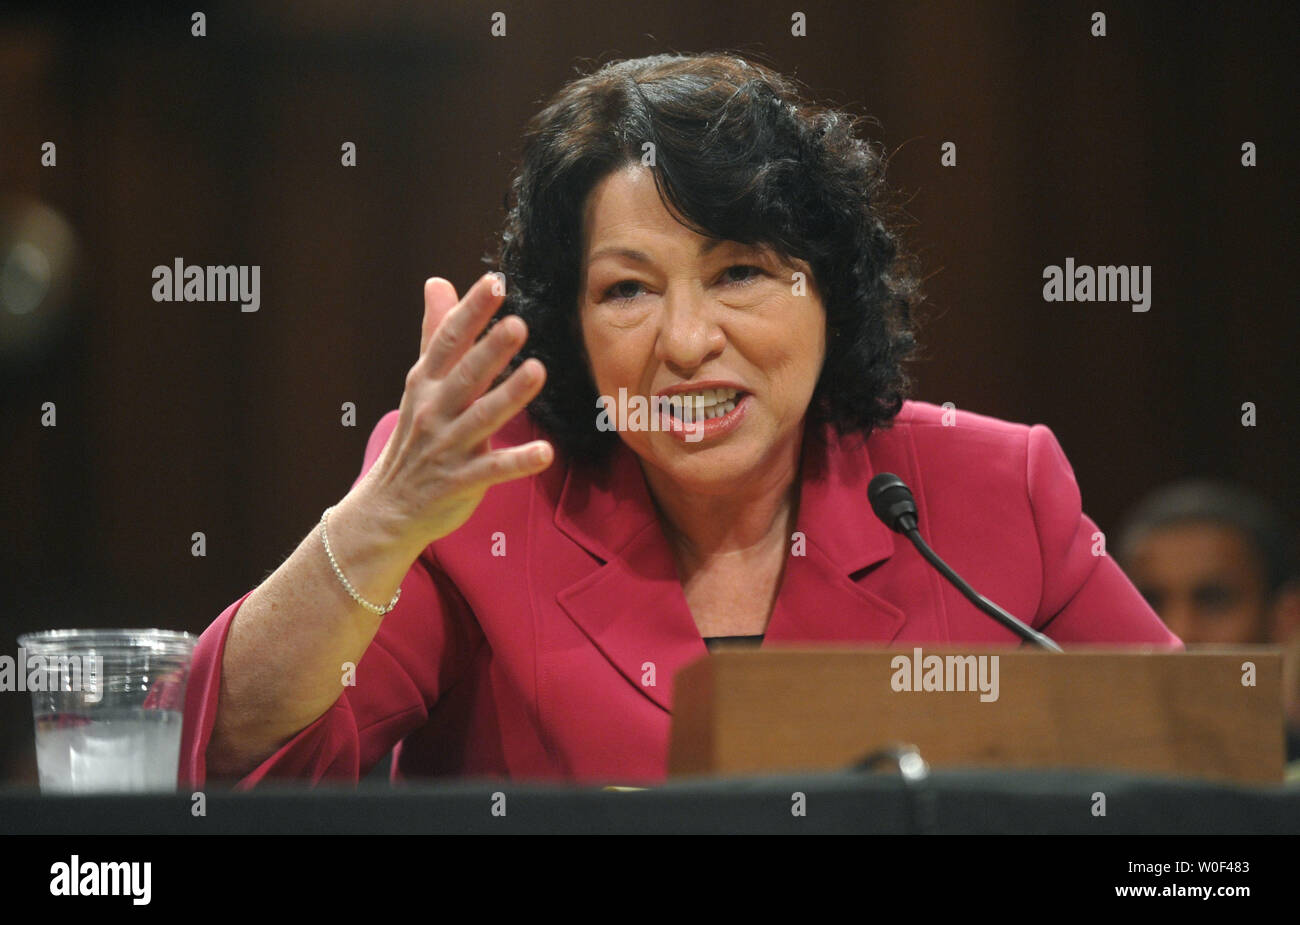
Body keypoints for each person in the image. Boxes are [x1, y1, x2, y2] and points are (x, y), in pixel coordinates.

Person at [182, 52, 1180, 789]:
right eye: (625, 290)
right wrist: (374, 526)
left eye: (738, 271)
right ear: (570, 325)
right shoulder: (488, 501)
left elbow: (1205, 773)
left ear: (827, 290)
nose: (686, 340)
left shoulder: (990, 489)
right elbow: (230, 749)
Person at [1118, 480, 1300, 761]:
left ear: (1286, 618)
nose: (1178, 635)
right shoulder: (1070, 780)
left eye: (1214, 600)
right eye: (1148, 603)